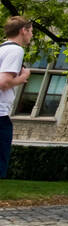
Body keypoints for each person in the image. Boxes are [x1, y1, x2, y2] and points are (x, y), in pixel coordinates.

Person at [0, 17, 34, 179]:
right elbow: (4, 82)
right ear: (23, 31)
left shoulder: (2, 49)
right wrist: (23, 77)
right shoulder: (16, 50)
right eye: (31, 31)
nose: (32, 35)